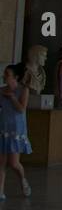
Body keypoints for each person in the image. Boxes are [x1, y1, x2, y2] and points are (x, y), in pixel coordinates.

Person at [0, 64, 33, 201]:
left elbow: (21, 109)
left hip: (16, 131)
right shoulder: (1, 90)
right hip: (3, 129)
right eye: (4, 74)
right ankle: (0, 192)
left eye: (7, 74)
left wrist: (12, 97)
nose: (4, 76)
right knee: (1, 162)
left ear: (15, 77)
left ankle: (23, 179)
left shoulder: (23, 90)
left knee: (14, 163)